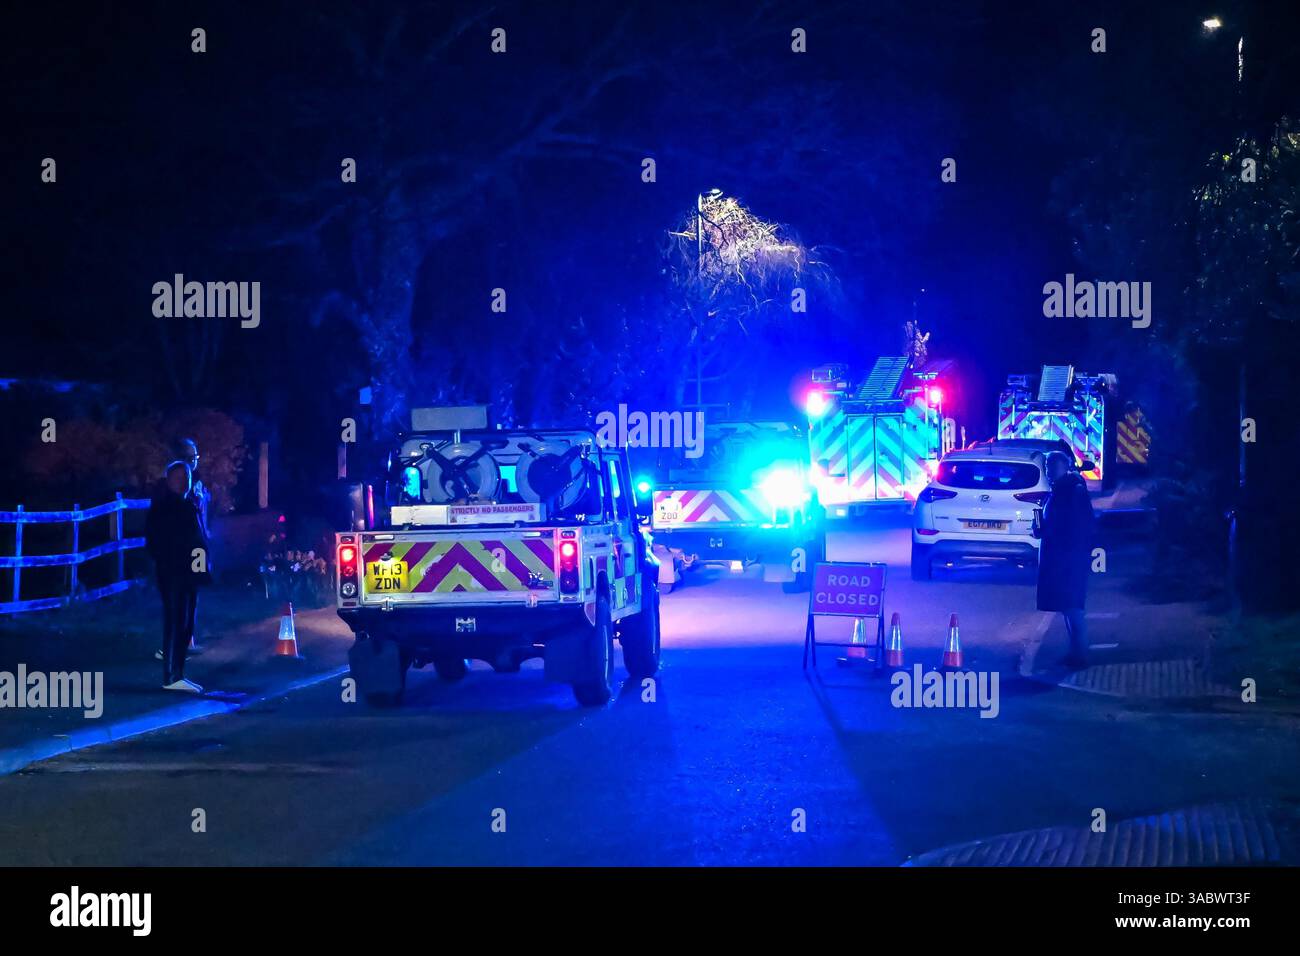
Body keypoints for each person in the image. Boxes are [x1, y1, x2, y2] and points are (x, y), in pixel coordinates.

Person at [144, 461, 209, 693]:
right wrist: (177, 564)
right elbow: (159, 542)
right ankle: (172, 675)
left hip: (187, 574)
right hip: (175, 573)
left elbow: (198, 541)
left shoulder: (188, 504)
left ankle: (177, 672)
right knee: (176, 621)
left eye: (187, 477)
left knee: (185, 622)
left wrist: (201, 571)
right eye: (179, 477)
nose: (184, 481)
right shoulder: (166, 507)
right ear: (170, 479)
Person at [1036, 450, 1095, 668]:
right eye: (1047, 467)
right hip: (1061, 557)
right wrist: (1042, 530)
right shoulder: (1060, 490)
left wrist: (1053, 535)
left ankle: (1081, 655)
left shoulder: (1073, 491)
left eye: (1052, 467)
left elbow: (1078, 526)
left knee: (1073, 605)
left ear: (1065, 467)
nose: (1049, 472)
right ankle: (1075, 653)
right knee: (1067, 605)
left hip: (1069, 559)